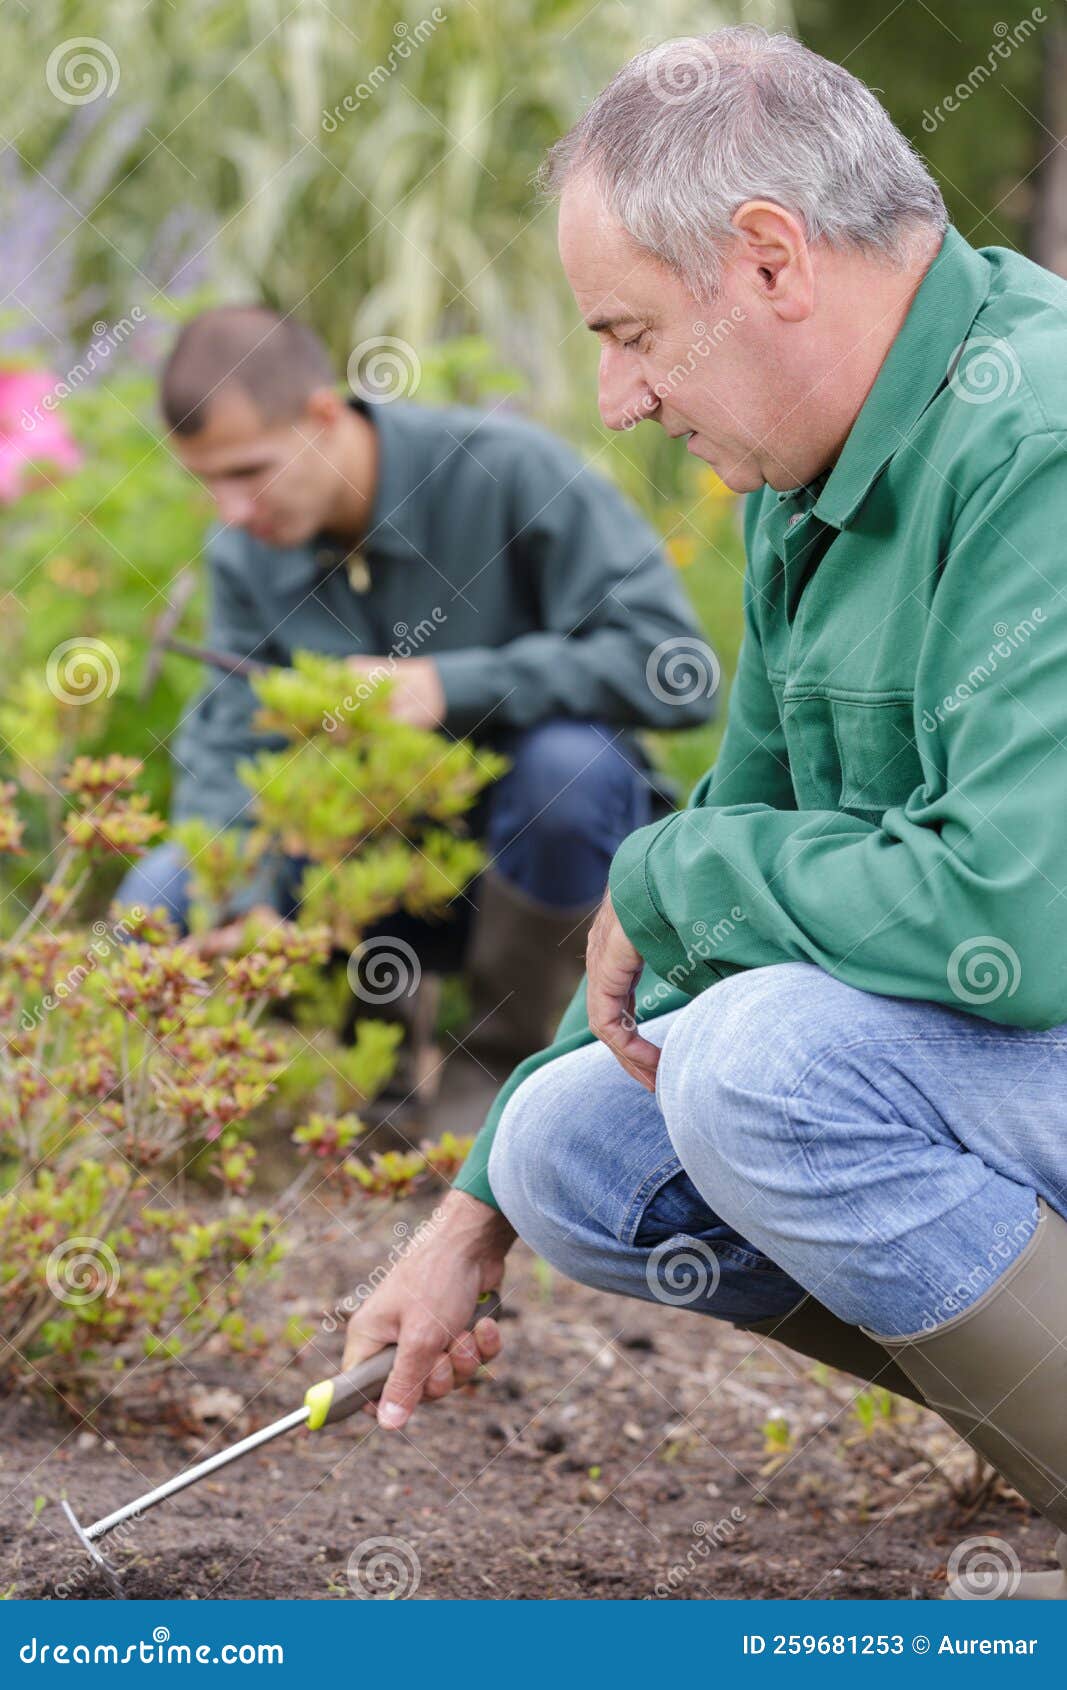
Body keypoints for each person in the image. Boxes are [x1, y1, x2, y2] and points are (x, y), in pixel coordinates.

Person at [340, 27, 1067, 1602]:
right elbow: (728, 847)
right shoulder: (812, 471)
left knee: (757, 1067)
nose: (616, 399)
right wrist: (465, 1217)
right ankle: (1044, 1421)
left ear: (767, 260)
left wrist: (682, 866)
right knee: (569, 1150)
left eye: (630, 334)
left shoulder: (1037, 441)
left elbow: (1011, 919)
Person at [118, 306, 715, 1071]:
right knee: (161, 894)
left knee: (566, 768)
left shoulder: (507, 470)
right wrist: (245, 895)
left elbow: (676, 670)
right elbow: (226, 739)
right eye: (207, 482)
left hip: (531, 860)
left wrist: (449, 686)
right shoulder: (243, 551)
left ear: (323, 415)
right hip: (358, 874)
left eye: (248, 472)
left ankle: (514, 1064)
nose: (231, 511)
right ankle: (365, 1066)